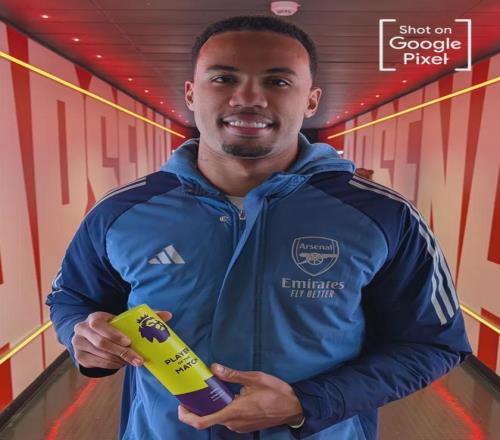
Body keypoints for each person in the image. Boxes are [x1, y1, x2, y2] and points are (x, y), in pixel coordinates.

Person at [46, 15, 471, 440]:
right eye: (224, 79)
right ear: (191, 94)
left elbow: (435, 342)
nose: (248, 98)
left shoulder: (383, 214)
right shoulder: (121, 211)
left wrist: (307, 403)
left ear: (311, 101)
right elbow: (72, 298)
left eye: (277, 82)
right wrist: (84, 335)